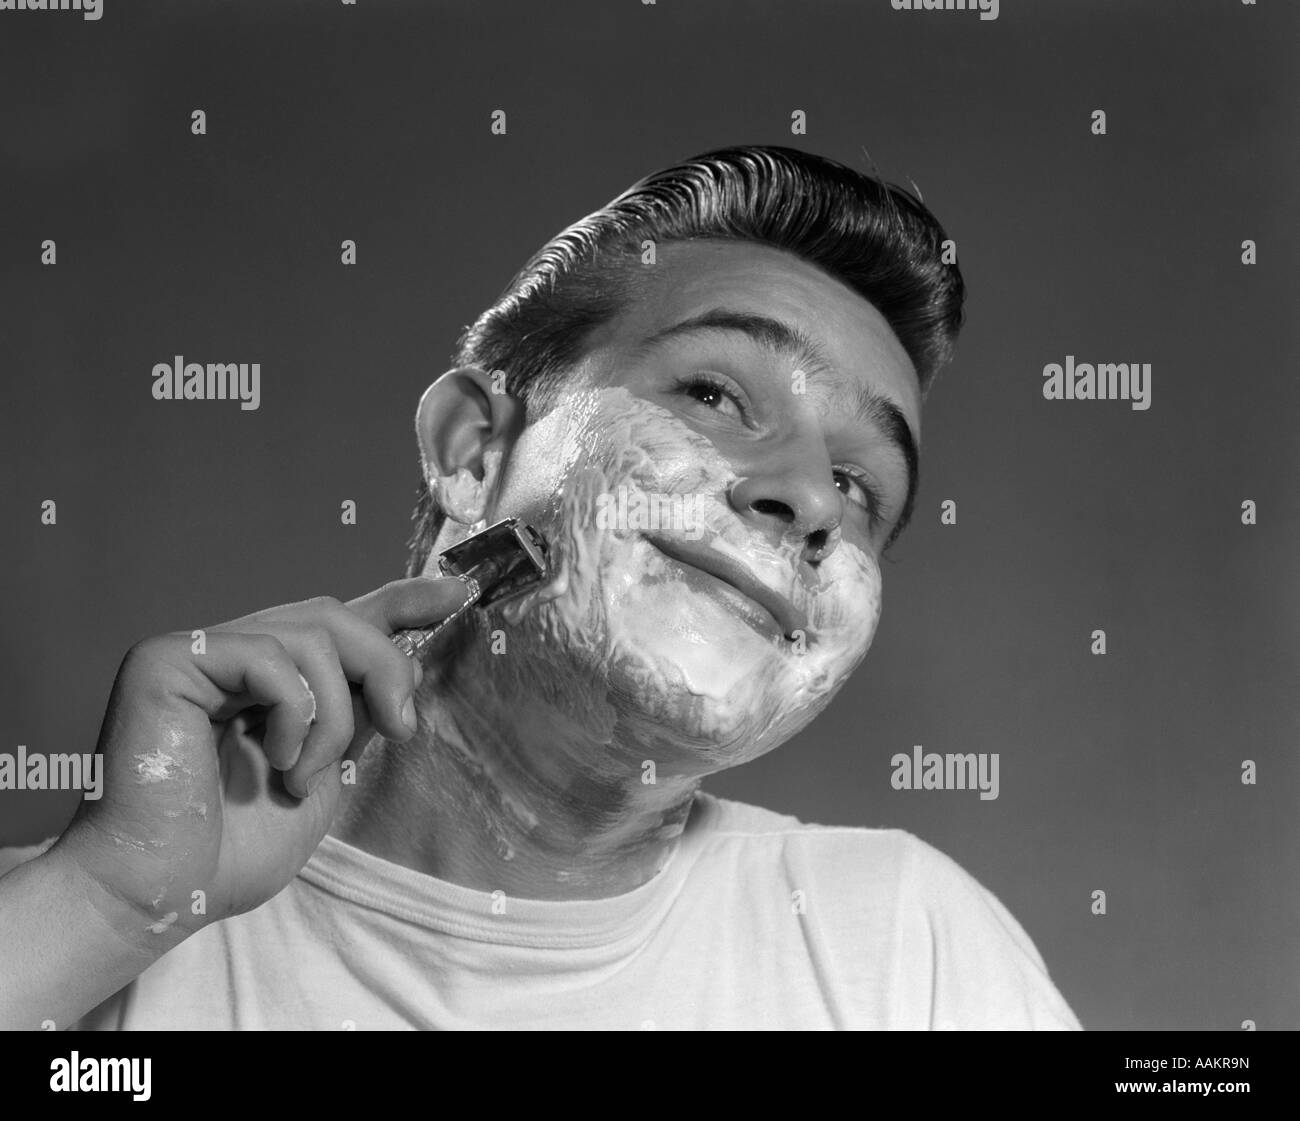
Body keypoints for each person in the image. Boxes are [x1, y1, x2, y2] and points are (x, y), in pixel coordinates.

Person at [0, 145, 1080, 1030]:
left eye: (861, 484)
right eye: (713, 391)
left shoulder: (904, 943)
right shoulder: (81, 930)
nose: (808, 498)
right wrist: (110, 906)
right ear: (473, 450)